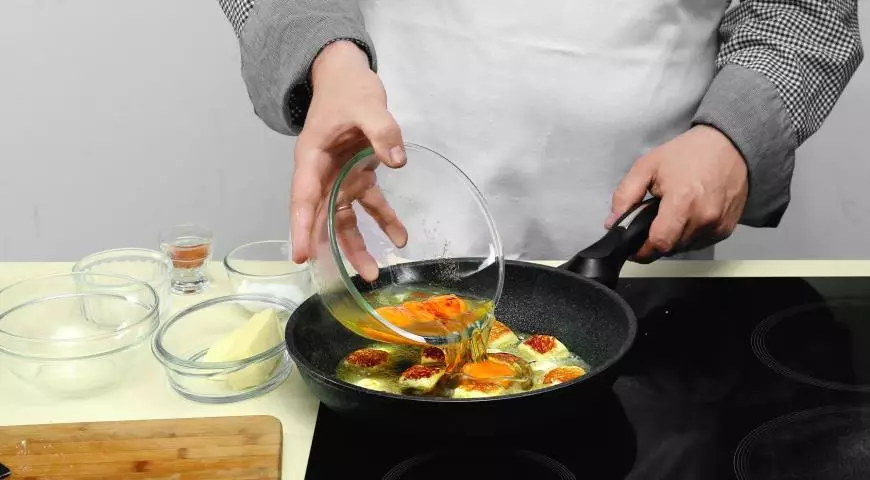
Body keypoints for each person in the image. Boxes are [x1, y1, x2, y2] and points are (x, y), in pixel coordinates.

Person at [215, 0, 862, 267]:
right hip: (387, 249)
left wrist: (733, 138)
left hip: (644, 258)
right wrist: (327, 62)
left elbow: (801, 10)